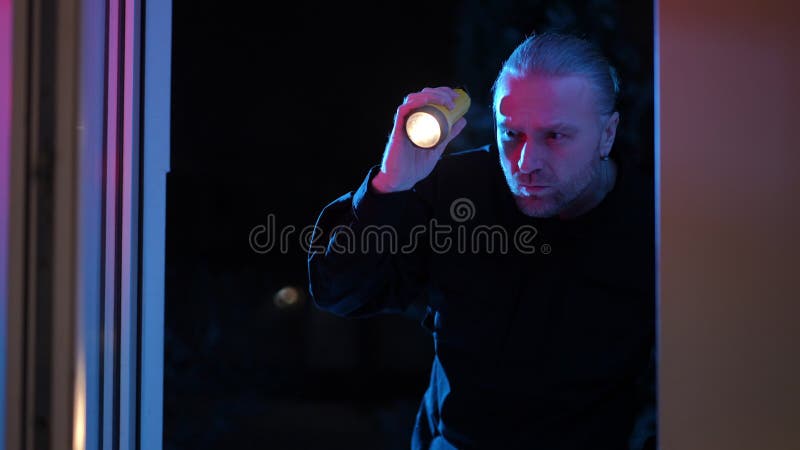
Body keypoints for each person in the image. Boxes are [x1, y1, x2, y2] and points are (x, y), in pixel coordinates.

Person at [307, 31, 656, 450]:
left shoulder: (655, 226)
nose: (526, 163)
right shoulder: (458, 193)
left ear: (607, 134)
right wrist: (389, 184)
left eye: (555, 136)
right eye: (512, 134)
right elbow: (340, 293)